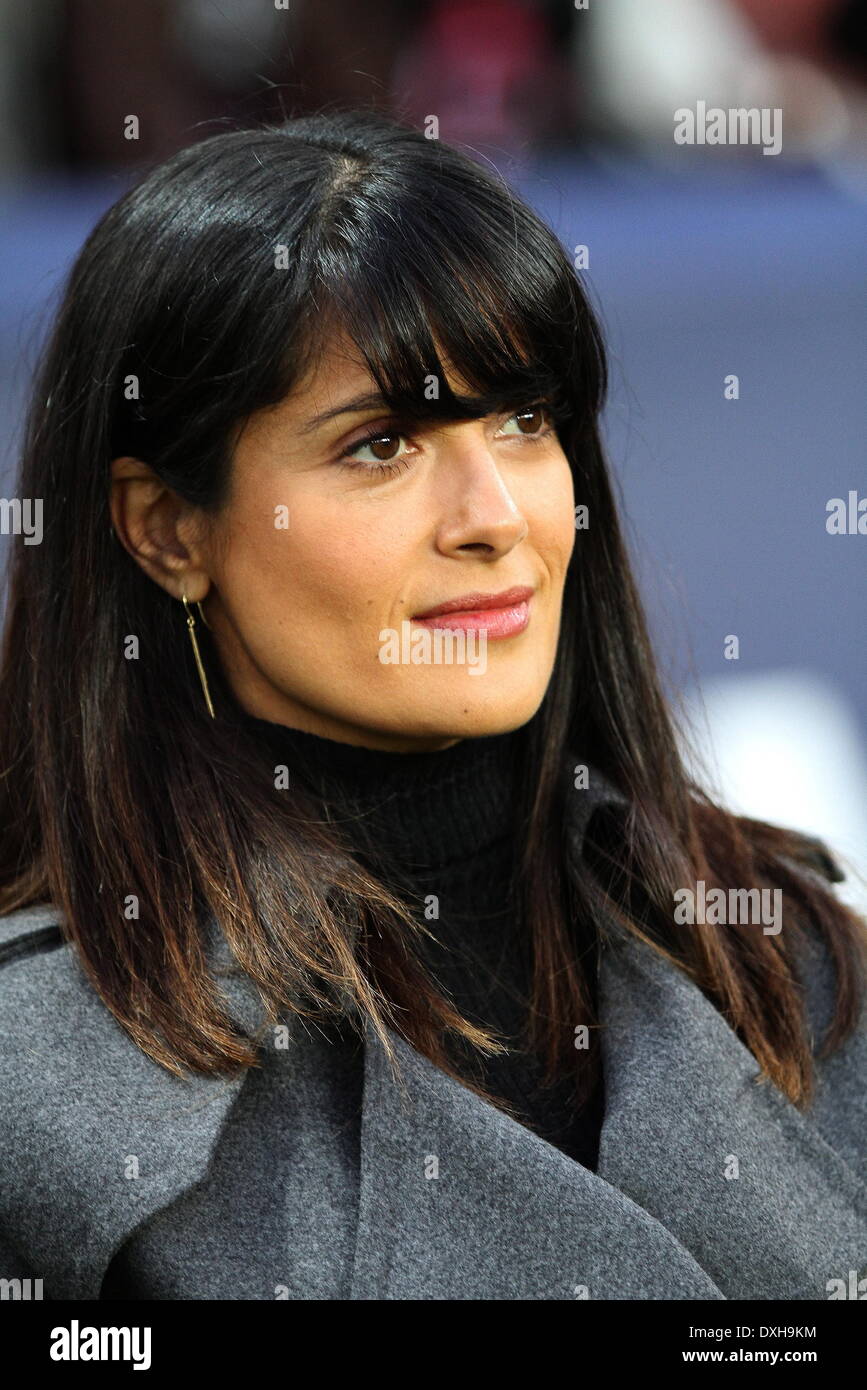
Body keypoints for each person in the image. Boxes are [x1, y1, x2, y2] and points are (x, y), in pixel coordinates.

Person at [0, 108, 863, 1302]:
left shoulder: (792, 953)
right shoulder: (38, 1093)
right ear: (165, 529)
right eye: (382, 445)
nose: (493, 516)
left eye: (522, 419)